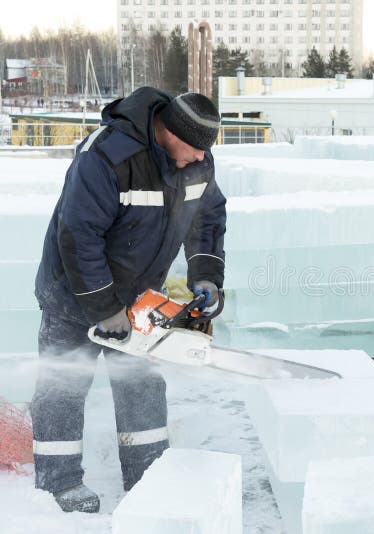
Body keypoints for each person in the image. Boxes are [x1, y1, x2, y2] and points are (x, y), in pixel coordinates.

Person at [33, 88, 227, 513]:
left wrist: (207, 275)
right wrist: (105, 309)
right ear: (169, 132)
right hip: (74, 296)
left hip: (139, 300)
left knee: (140, 385)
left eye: (205, 150)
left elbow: (208, 219)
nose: (200, 158)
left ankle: (148, 478)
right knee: (63, 387)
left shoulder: (196, 161)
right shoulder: (106, 156)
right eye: (195, 147)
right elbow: (78, 235)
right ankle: (57, 486)